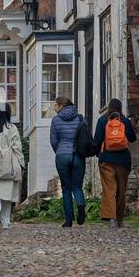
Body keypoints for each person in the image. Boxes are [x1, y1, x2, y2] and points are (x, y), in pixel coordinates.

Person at [93, 97, 137, 229]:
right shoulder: (124, 121)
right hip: (123, 160)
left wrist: (98, 154)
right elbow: (132, 138)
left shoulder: (102, 120)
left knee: (109, 189)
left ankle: (111, 218)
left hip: (106, 159)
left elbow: (97, 140)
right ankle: (119, 219)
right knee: (121, 190)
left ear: (109, 107)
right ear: (120, 108)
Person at [49, 94, 90, 228]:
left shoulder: (55, 120)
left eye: (55, 105)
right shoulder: (80, 118)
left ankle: (68, 220)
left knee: (66, 188)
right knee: (77, 186)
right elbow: (86, 136)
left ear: (61, 106)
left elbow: (53, 141)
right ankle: (81, 205)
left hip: (62, 155)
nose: (54, 108)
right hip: (78, 155)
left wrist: (60, 152)